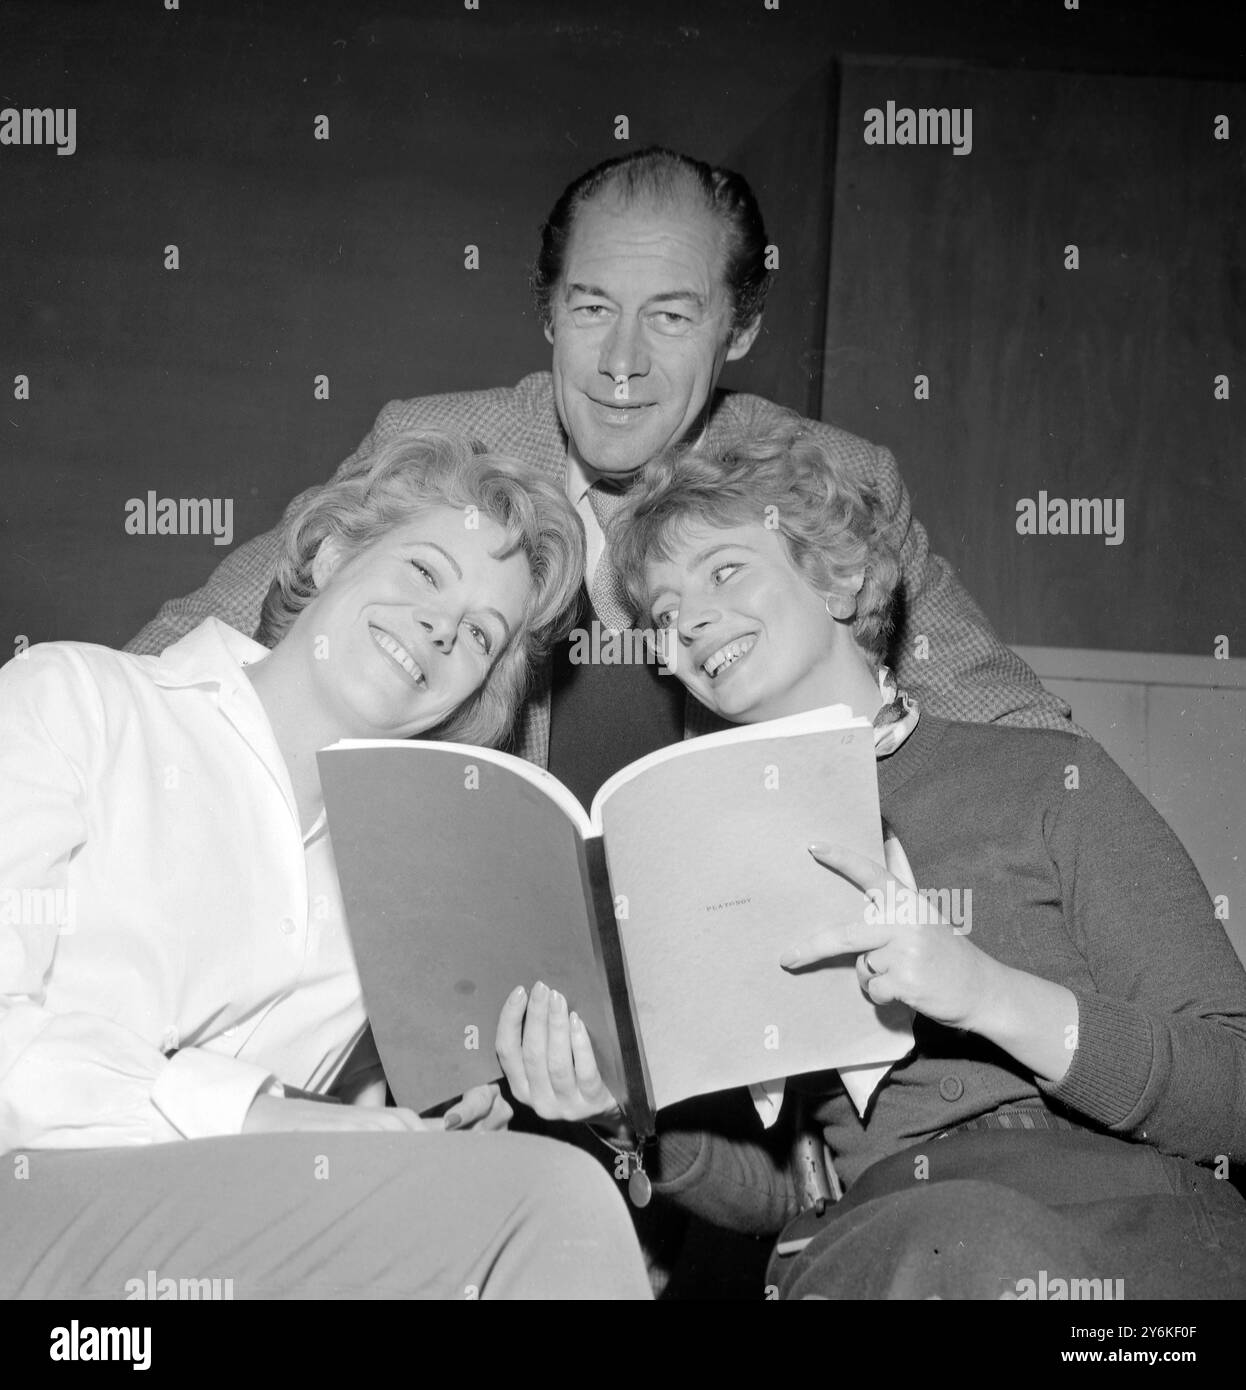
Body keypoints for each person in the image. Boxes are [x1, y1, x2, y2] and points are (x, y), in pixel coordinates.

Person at [495, 426, 1246, 1300]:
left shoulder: (1047, 778)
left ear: (839, 578)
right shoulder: (703, 852)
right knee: (972, 1243)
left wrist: (988, 994)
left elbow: (1232, 1085)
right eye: (663, 614)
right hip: (892, 1243)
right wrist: (621, 1114)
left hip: (1148, 1237)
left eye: (725, 571)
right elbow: (782, 1185)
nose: (687, 622)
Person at [124, 147, 1073, 815]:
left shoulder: (830, 477)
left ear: (738, 332)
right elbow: (188, 653)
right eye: (592, 308)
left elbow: (1026, 738)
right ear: (547, 314)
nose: (621, 364)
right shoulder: (437, 442)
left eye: (670, 316)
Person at [0, 431, 652, 1300]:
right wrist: (262, 1113)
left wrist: (408, 1127)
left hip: (215, 1261)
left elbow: (303, 1170)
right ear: (334, 548)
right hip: (30, 1206)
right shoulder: (76, 699)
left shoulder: (397, 891)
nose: (439, 627)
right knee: (553, 1199)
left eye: (480, 636)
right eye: (425, 572)